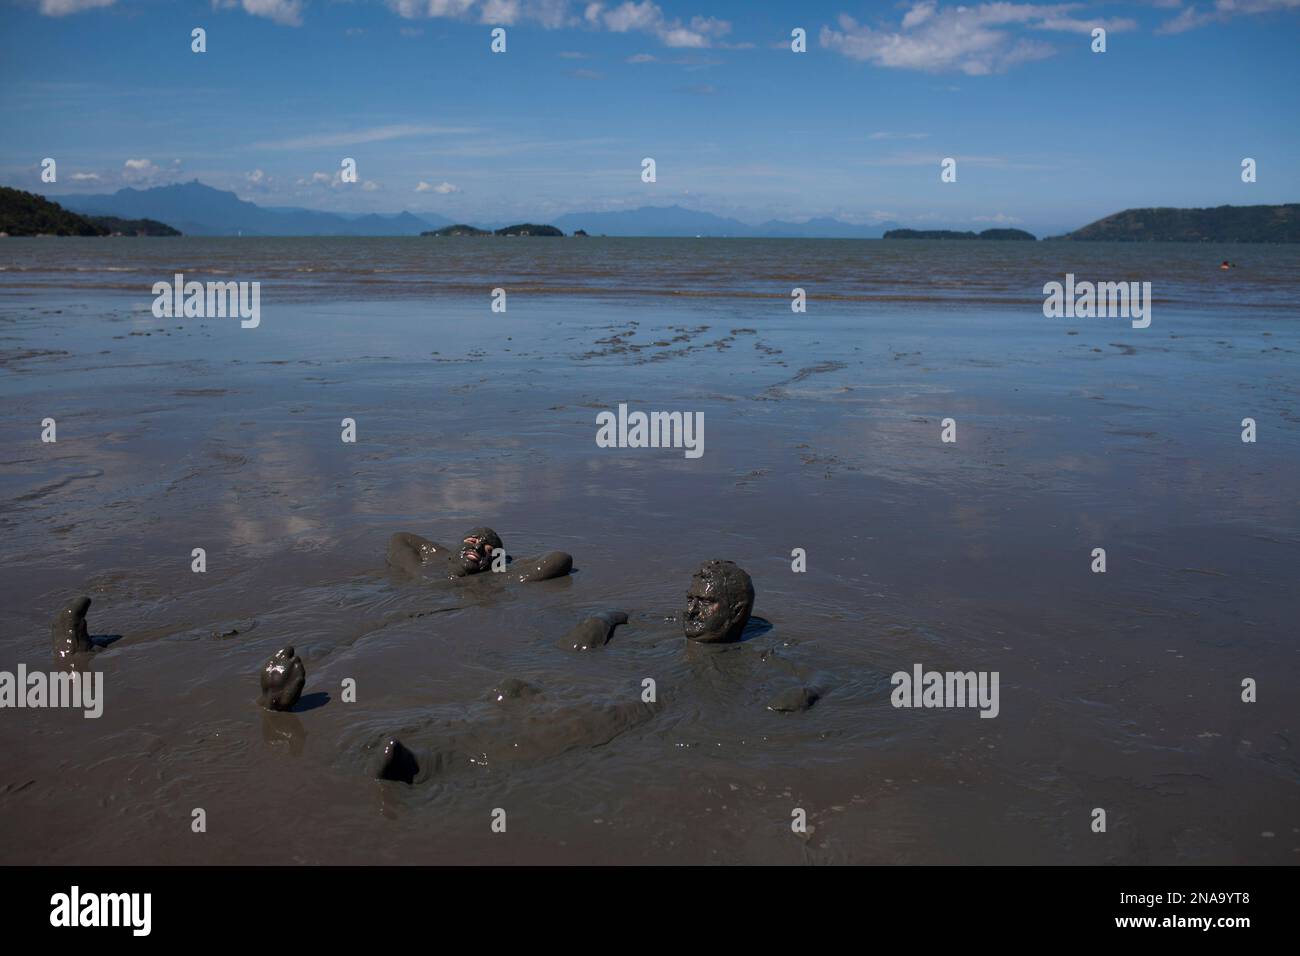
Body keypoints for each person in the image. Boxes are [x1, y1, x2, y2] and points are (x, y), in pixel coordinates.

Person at [386, 526, 572, 581]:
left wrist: (501, 566)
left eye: (488, 550)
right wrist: (413, 567)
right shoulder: (440, 556)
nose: (477, 549)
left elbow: (560, 558)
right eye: (472, 542)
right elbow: (400, 537)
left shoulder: (497, 577)